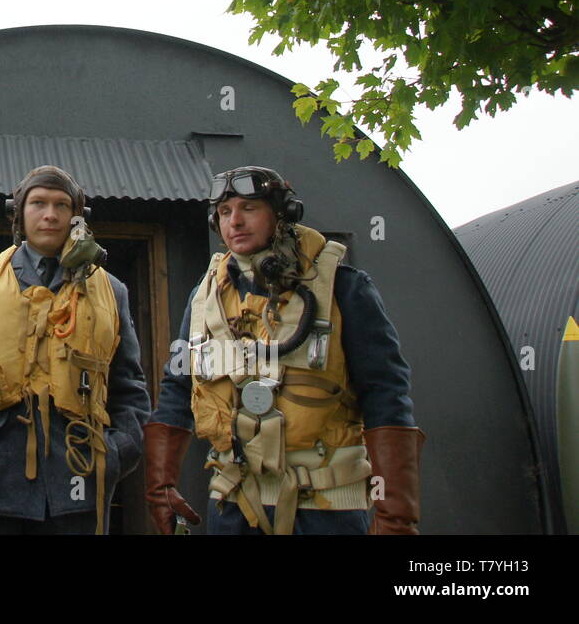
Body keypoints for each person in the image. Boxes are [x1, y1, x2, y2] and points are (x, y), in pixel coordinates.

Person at [146, 166, 424, 535]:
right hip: (233, 506)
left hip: (327, 511)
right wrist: (160, 488)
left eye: (249, 208)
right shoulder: (206, 297)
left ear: (282, 214)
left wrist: (395, 516)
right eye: (225, 212)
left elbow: (386, 393)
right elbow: (178, 388)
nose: (235, 221)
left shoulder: (343, 288)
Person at [0, 166, 152, 534]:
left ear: (77, 217)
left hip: (78, 479)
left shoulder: (111, 291)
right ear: (19, 215)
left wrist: (116, 453)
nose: (50, 215)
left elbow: (130, 389)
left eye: (62, 205)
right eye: (38, 203)